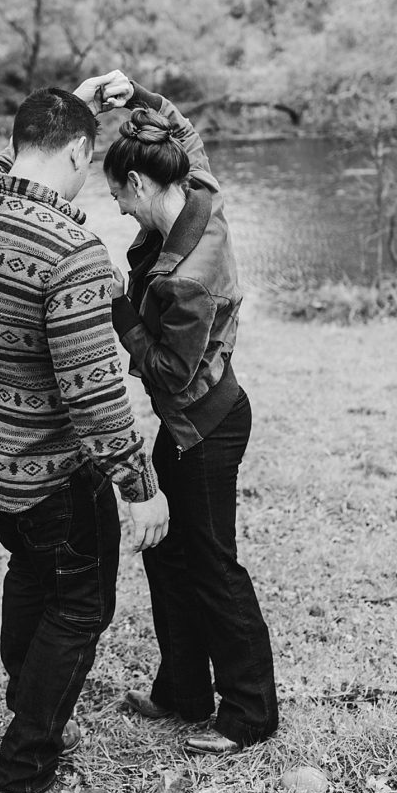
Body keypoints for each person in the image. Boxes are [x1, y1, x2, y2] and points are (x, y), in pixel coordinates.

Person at [0, 79, 169, 793]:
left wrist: (69, 105)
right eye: (85, 158)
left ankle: (24, 692)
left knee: (31, 568)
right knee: (81, 601)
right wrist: (141, 487)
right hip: (46, 476)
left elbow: (10, 166)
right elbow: (95, 396)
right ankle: (22, 775)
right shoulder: (73, 256)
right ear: (76, 151)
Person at [91, 69, 279, 757]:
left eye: (118, 196)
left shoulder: (186, 276)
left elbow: (169, 369)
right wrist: (134, 92)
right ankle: (183, 690)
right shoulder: (201, 194)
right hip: (187, 423)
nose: (118, 210)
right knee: (167, 554)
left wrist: (118, 306)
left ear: (140, 185)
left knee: (212, 564)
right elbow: (187, 133)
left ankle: (251, 711)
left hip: (207, 423)